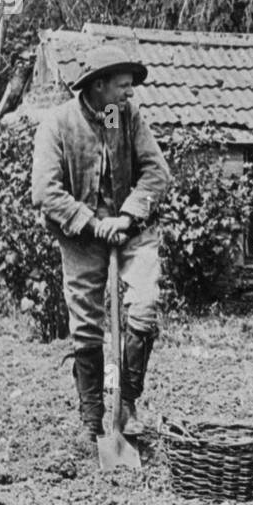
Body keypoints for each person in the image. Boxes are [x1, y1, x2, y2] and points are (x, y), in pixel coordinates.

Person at [32, 44, 172, 451]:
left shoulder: (127, 118)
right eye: (124, 86)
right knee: (86, 323)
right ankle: (92, 419)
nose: (130, 94)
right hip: (80, 235)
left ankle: (126, 405)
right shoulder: (57, 124)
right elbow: (45, 191)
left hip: (131, 230)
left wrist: (126, 217)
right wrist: (93, 224)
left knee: (144, 305)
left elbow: (156, 173)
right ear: (98, 85)